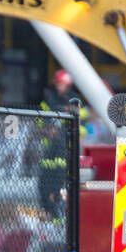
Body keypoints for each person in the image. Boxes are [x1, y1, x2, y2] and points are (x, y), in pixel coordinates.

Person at [36, 69, 89, 218]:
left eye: (63, 85)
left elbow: (82, 124)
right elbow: (40, 120)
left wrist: (72, 131)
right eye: (59, 84)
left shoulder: (75, 101)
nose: (60, 88)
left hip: (67, 150)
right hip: (49, 151)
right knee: (44, 186)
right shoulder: (49, 100)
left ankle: (60, 217)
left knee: (63, 187)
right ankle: (49, 214)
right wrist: (47, 129)